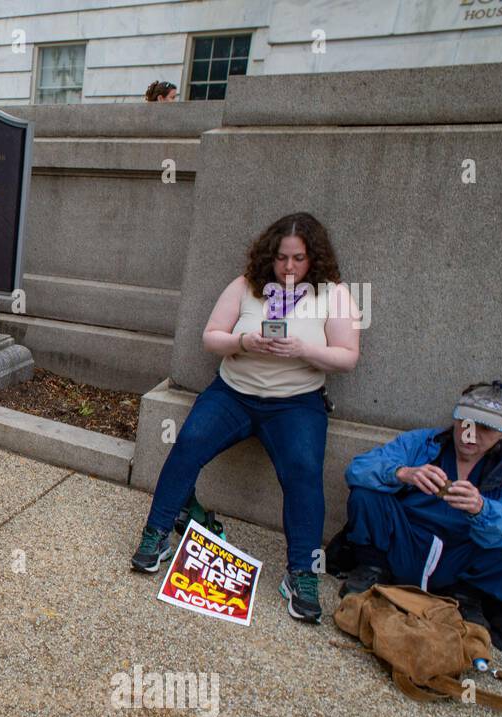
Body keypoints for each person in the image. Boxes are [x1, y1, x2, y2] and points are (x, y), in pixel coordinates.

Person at [129, 212, 362, 624]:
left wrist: (303, 351)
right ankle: (157, 534)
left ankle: (302, 575)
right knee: (189, 443)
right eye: (281, 258)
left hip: (296, 402)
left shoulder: (334, 294)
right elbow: (210, 336)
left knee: (304, 472)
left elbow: (347, 357)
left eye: (299, 258)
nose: (289, 267)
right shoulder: (245, 286)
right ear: (269, 256)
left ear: (315, 259)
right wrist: (244, 341)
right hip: (233, 394)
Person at [336, 381, 502, 642]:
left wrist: (483, 508)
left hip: (463, 556)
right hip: (406, 541)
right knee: (366, 492)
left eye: (486, 428)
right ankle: (372, 568)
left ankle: (468, 597)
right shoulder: (423, 442)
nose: (470, 434)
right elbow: (358, 469)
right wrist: (402, 473)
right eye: (465, 422)